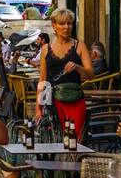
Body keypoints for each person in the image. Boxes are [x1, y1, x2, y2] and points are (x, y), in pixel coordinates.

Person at [35, 8, 93, 136]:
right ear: (54, 26)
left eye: (69, 23)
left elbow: (90, 74)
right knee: (56, 138)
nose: (66, 27)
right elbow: (43, 80)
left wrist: (77, 67)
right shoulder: (45, 49)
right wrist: (38, 107)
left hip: (75, 101)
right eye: (62, 24)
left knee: (75, 140)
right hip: (53, 102)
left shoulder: (80, 46)